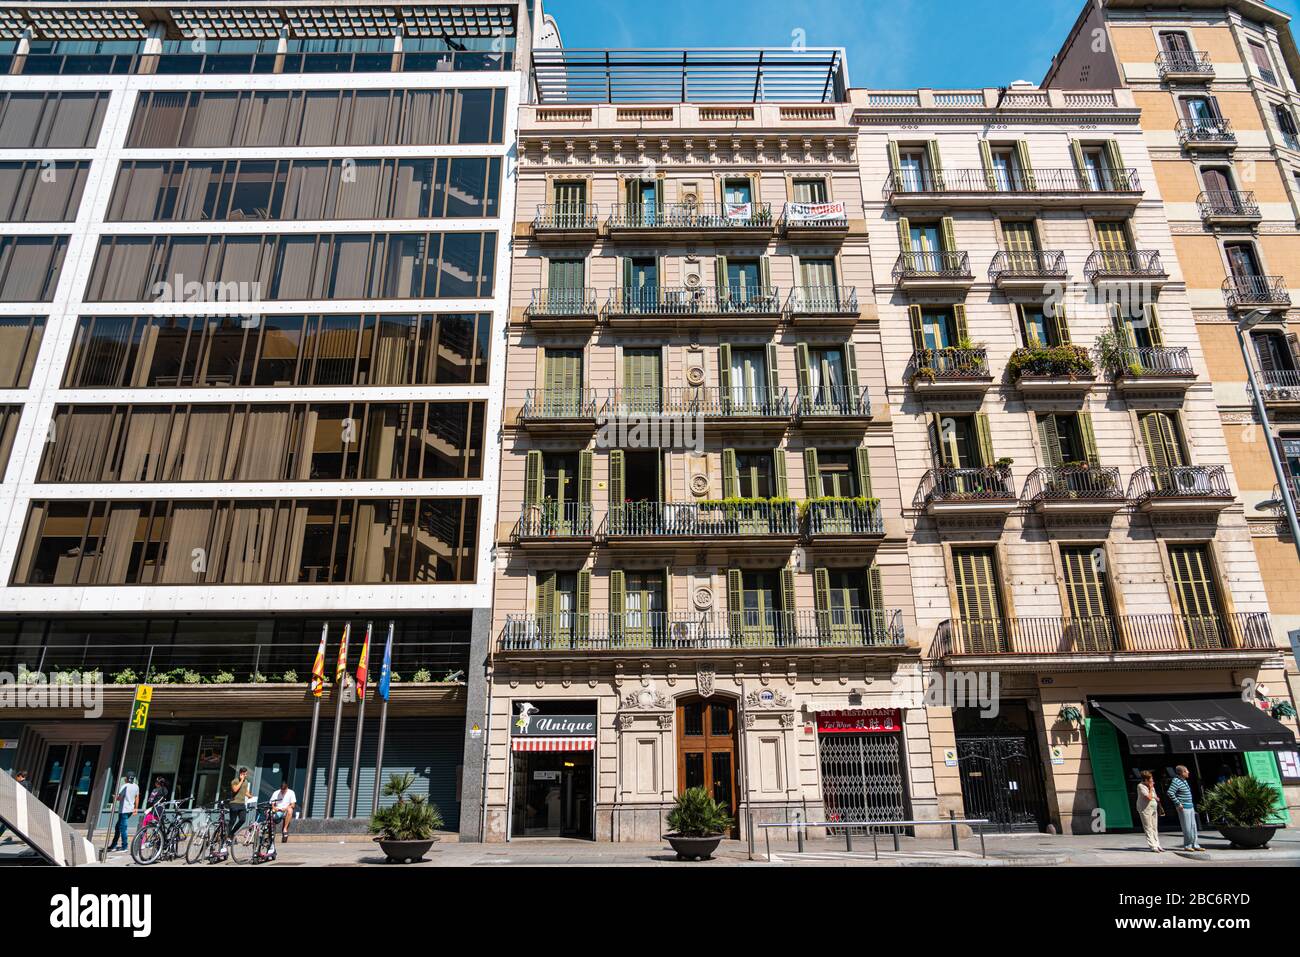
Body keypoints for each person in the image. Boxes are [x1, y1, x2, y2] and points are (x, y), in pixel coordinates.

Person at [1167, 764, 1204, 852]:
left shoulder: (1184, 780)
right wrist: (1178, 804)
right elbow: (1170, 792)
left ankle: (1195, 844)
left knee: (1193, 827)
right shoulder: (1176, 781)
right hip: (1184, 808)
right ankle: (1187, 845)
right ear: (1182, 772)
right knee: (1187, 827)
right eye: (1186, 771)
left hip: (1190, 807)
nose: (1188, 772)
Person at [106, 772, 139, 852]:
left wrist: (114, 797)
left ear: (127, 778)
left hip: (124, 810)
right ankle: (114, 845)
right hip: (130, 810)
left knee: (122, 828)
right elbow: (137, 797)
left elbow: (120, 798)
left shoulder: (125, 786)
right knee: (118, 827)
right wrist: (136, 808)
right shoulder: (136, 786)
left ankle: (124, 846)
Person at [1136, 770, 1163, 852]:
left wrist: (1156, 798)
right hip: (1145, 809)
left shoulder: (1151, 785)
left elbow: (1153, 796)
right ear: (1146, 780)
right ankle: (1153, 846)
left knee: (1155, 827)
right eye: (1151, 779)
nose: (1152, 780)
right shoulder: (1141, 786)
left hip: (1153, 808)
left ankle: (1157, 844)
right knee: (1148, 827)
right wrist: (1151, 788)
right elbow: (1149, 797)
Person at [0, 770, 29, 841]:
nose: (16, 779)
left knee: (5, 823)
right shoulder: (29, 784)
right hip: (21, 807)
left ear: (20, 776)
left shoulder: (19, 784)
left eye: (17, 777)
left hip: (14, 806)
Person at [269, 778, 297, 842]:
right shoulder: (276, 793)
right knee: (271, 813)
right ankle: (271, 832)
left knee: (290, 810)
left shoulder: (291, 792)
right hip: (278, 810)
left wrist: (286, 808)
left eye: (284, 791)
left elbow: (293, 805)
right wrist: (275, 808)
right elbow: (272, 804)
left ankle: (285, 829)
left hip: (285, 811)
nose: (283, 792)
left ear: (287, 788)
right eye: (282, 790)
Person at [228, 767, 252, 837]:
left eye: (246, 774)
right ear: (241, 774)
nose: (246, 775)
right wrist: (241, 781)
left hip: (242, 804)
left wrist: (249, 795)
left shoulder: (246, 781)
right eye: (245, 774)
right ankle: (227, 836)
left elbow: (245, 791)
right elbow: (235, 790)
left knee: (242, 820)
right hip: (234, 803)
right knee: (232, 821)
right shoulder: (235, 781)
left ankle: (231, 833)